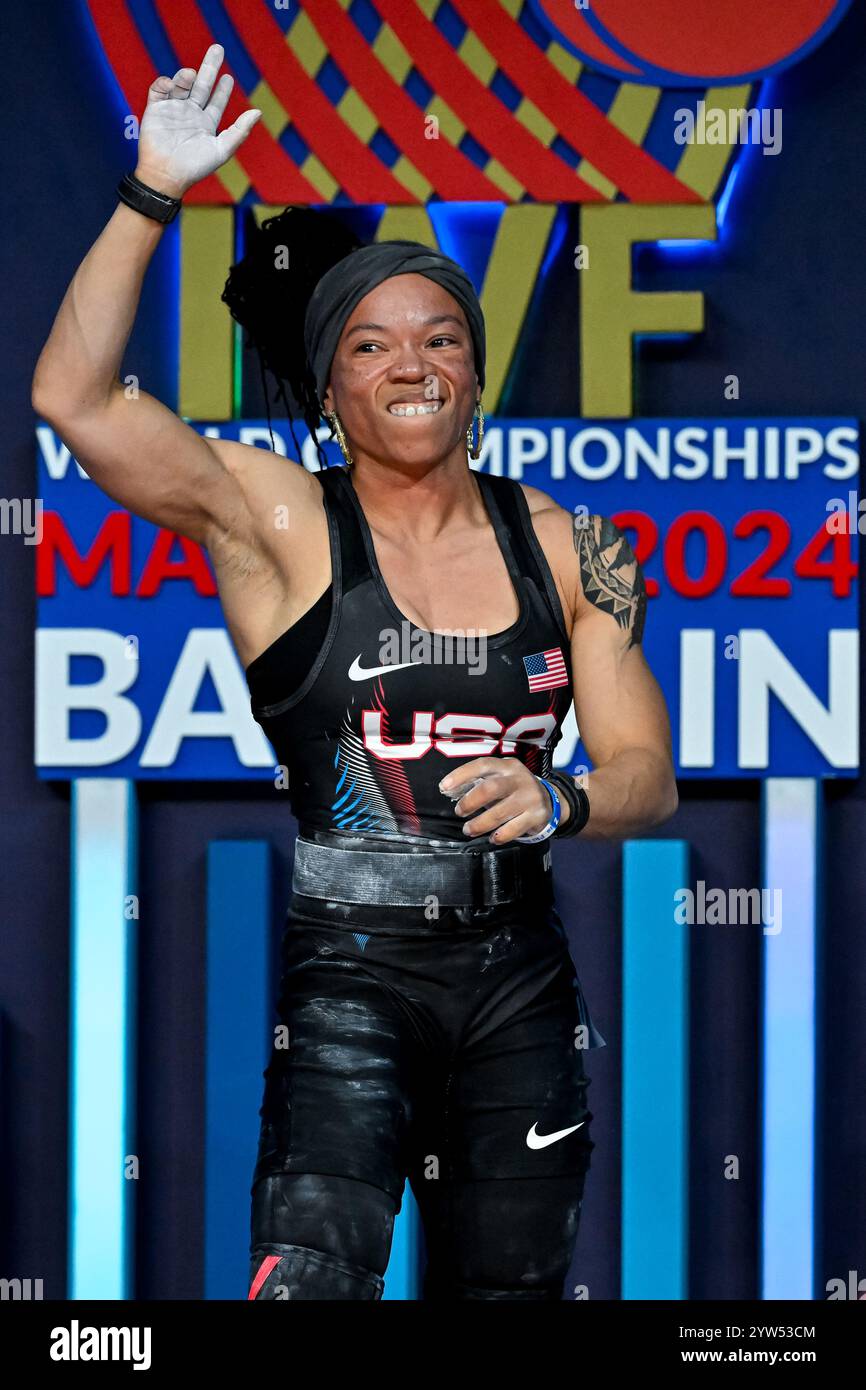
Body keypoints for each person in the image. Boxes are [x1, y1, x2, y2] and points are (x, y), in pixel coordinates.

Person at [32, 44, 678, 1300]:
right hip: (349, 980)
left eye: (439, 337)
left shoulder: (568, 545)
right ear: (330, 387)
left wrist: (567, 800)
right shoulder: (271, 519)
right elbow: (74, 394)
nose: (411, 364)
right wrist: (152, 190)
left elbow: (648, 772)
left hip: (520, 990)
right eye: (373, 346)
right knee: (310, 1287)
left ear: (475, 372)